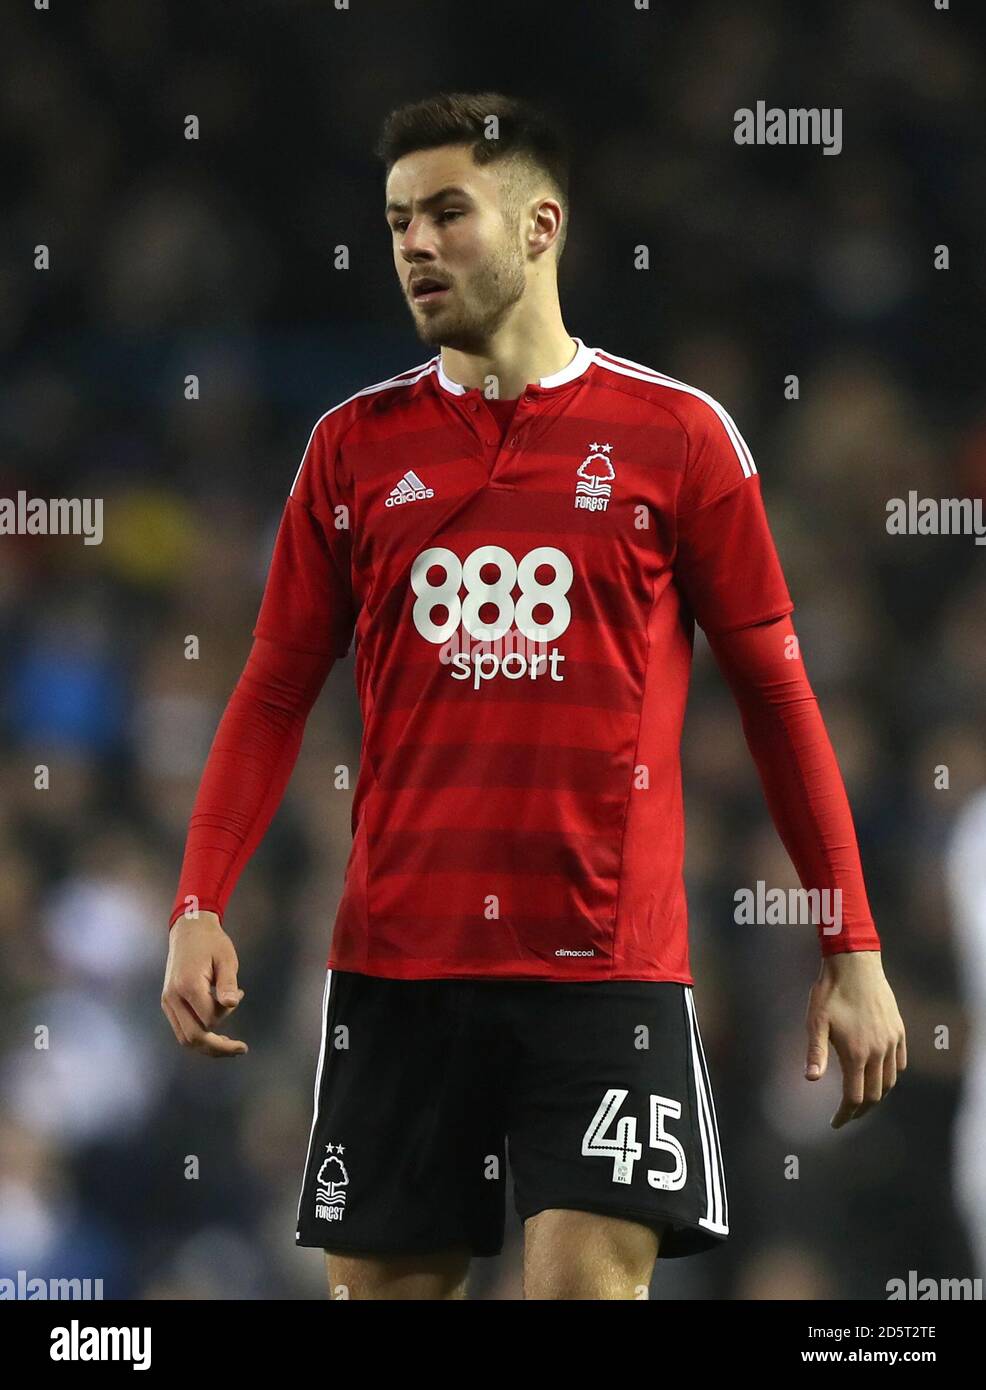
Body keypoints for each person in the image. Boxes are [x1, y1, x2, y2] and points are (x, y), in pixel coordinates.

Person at [163, 91, 906, 1300]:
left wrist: (852, 940)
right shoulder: (350, 449)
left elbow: (778, 702)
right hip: (398, 969)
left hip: (604, 971)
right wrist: (199, 898)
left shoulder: (679, 438)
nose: (413, 242)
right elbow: (269, 693)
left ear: (539, 225)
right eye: (399, 218)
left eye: (448, 212)